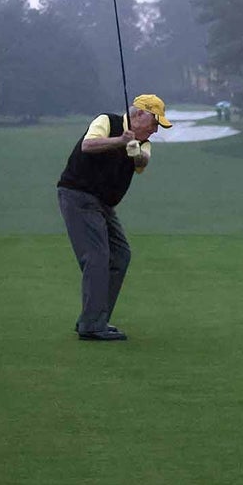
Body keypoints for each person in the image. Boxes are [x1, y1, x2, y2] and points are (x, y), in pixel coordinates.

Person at [57, 95, 171, 341]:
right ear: (139, 114)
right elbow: (88, 145)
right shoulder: (107, 121)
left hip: (103, 205)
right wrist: (121, 140)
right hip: (78, 195)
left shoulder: (144, 142)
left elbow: (143, 162)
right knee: (97, 256)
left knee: (120, 255)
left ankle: (95, 318)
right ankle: (92, 324)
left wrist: (134, 150)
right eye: (154, 122)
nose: (155, 129)